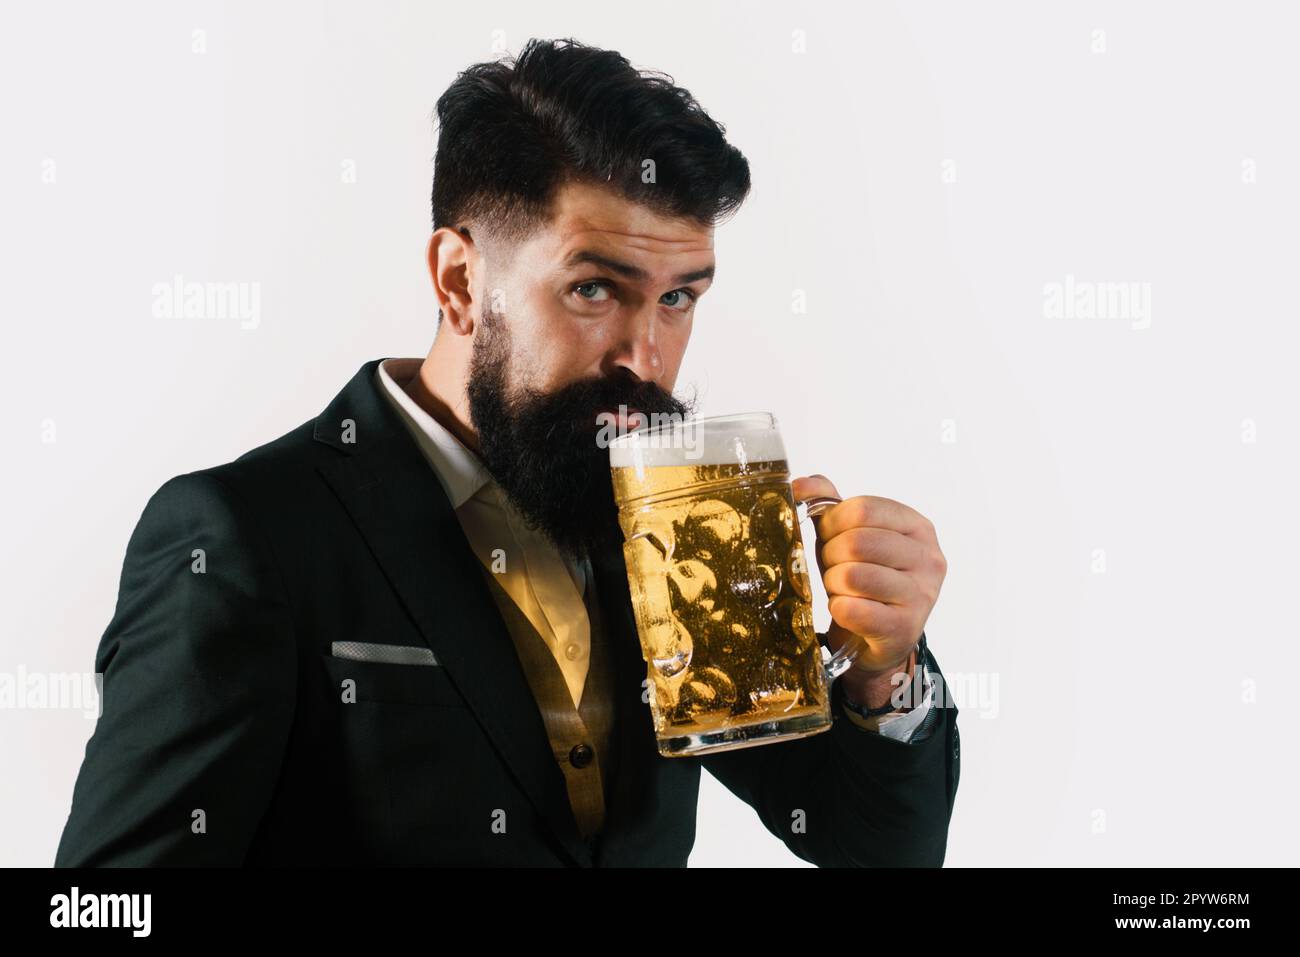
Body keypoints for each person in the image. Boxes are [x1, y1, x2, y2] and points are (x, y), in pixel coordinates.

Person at [55, 37, 958, 867]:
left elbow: (867, 843)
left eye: (679, 299)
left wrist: (882, 674)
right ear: (459, 281)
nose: (645, 360)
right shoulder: (242, 536)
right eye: (596, 288)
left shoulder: (672, 520)